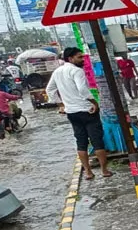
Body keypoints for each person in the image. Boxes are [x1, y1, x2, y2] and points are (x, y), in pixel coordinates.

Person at [46, 47, 112, 179]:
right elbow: (82, 89)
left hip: (72, 112)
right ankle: (104, 171)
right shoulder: (77, 71)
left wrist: (61, 104)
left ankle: (88, 172)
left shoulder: (57, 72)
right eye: (79, 57)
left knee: (81, 142)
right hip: (87, 110)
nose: (82, 60)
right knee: (97, 141)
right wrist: (94, 102)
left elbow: (49, 89)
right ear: (70, 58)